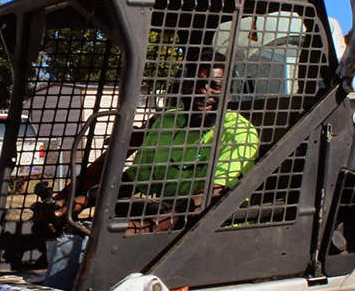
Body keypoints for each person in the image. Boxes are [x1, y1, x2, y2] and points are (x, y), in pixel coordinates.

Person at [48, 59, 260, 235]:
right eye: (195, 83)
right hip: (169, 218)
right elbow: (136, 178)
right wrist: (84, 200)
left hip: (213, 230)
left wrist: (143, 229)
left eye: (214, 86)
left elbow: (208, 198)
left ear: (229, 96)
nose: (202, 92)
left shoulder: (239, 133)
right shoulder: (167, 122)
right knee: (114, 211)